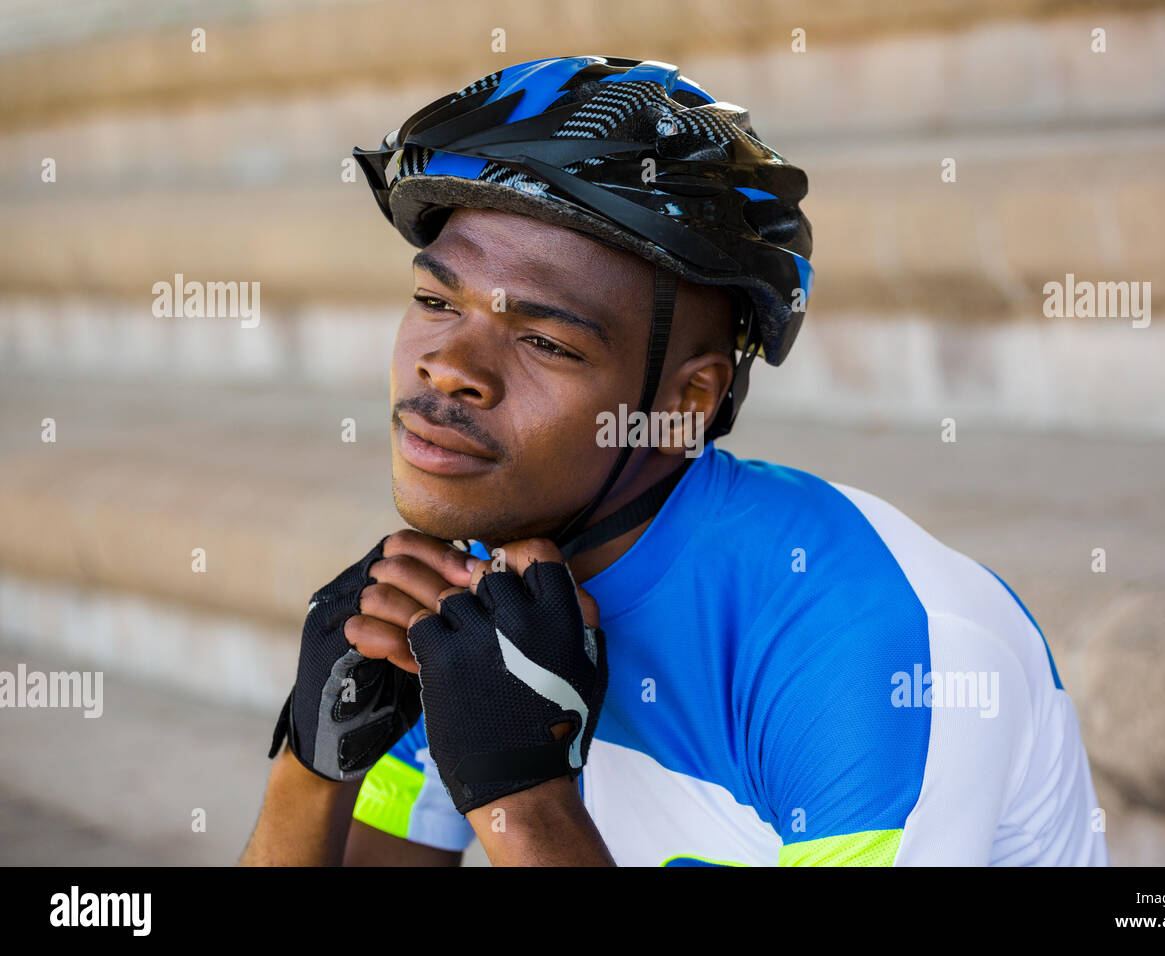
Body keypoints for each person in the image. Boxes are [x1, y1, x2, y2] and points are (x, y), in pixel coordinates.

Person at [238, 54, 1109, 867]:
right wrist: (315, 765)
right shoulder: (469, 591)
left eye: (543, 340)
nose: (449, 369)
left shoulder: (868, 650)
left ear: (686, 403)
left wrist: (525, 798)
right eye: (435, 300)